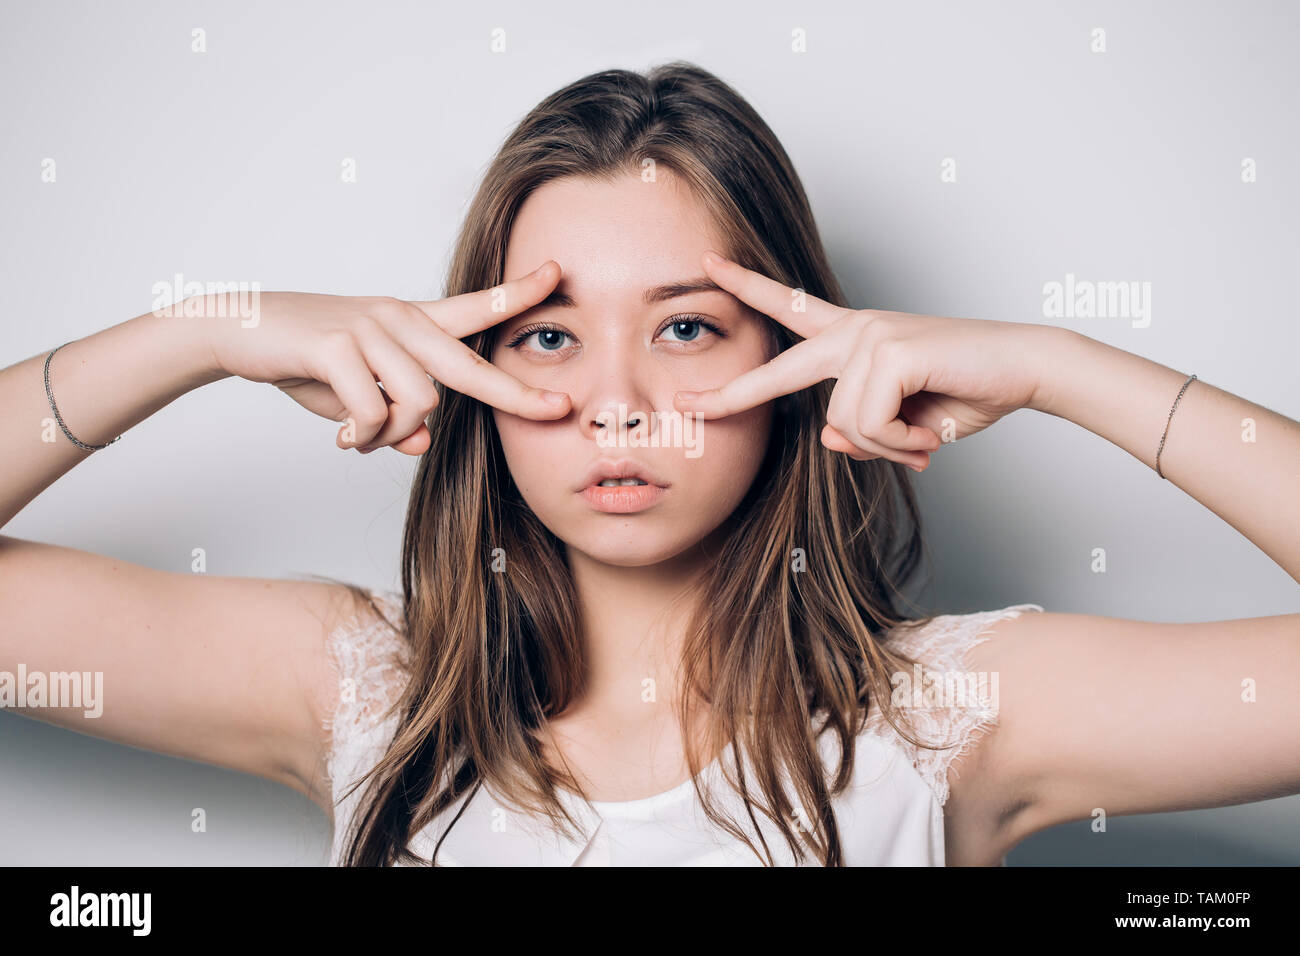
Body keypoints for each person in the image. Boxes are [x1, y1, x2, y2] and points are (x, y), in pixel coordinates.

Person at [2, 62, 1296, 867]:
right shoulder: (364, 695)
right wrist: (201, 329)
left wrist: (1058, 365)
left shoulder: (955, 716)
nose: (614, 405)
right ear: (466, 368)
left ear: (806, 350)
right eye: (548, 334)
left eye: (685, 327)